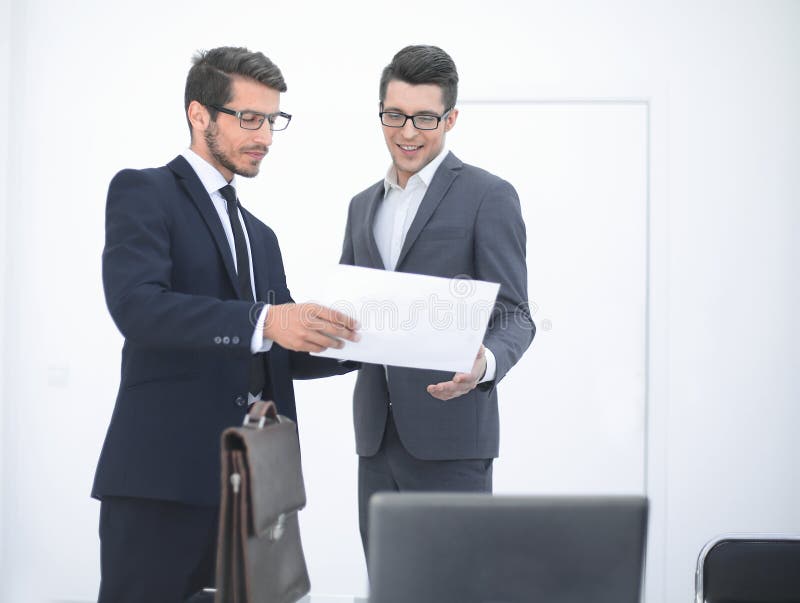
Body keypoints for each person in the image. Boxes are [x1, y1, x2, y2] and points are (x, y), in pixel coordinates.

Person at [92, 46, 358, 603]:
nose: (263, 134)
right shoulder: (144, 191)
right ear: (199, 114)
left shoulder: (261, 235)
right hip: (162, 481)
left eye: (272, 120)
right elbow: (138, 308)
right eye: (249, 117)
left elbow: (277, 346)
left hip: (254, 486)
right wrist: (266, 319)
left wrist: (372, 343)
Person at [340, 44, 535, 556]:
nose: (407, 132)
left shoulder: (488, 196)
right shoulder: (362, 207)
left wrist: (485, 363)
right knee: (387, 585)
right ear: (381, 112)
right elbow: (353, 317)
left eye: (425, 118)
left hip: (452, 443)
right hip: (376, 442)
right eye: (395, 115)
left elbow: (516, 315)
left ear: (450, 118)